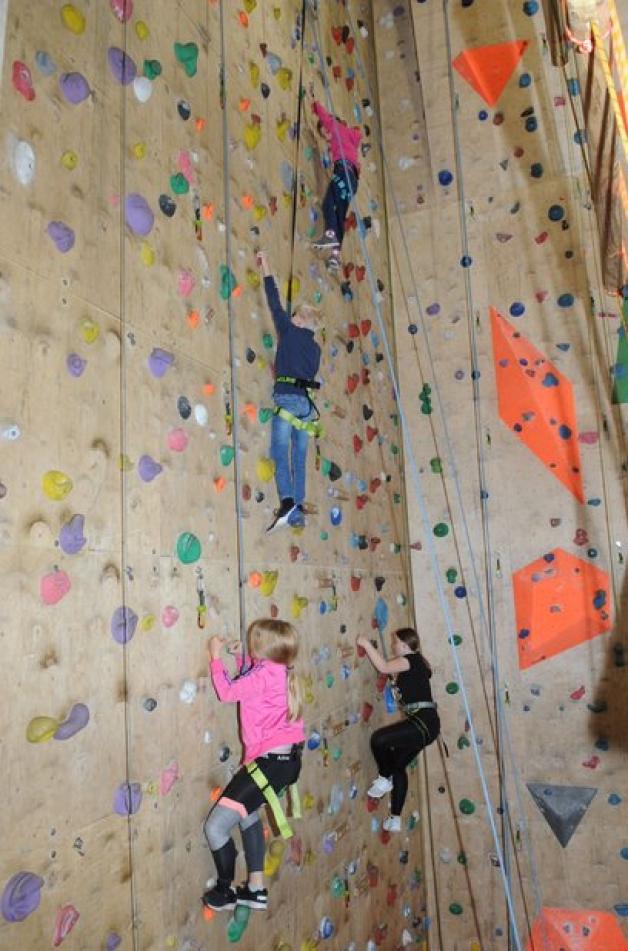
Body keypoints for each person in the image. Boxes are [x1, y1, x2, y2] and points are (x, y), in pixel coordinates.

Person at [202, 619, 305, 912]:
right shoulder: (279, 669)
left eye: (254, 640)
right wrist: (240, 658)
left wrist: (215, 657)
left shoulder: (264, 674)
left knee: (215, 827)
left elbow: (228, 692)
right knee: (247, 813)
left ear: (263, 646)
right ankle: (256, 889)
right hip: (284, 764)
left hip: (269, 766)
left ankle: (225, 891)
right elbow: (257, 683)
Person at [256, 250, 322, 533]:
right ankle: (297, 511)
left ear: (299, 321)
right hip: (306, 407)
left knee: (280, 451)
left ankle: (287, 502)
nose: (291, 317)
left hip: (287, 399)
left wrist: (266, 266)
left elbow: (274, 302)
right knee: (299, 458)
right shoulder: (316, 350)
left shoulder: (289, 330)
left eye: (295, 316)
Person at [356, 627, 440, 832]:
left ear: (404, 644)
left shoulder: (410, 659)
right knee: (398, 766)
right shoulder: (415, 663)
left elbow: (384, 666)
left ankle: (384, 778)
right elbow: (391, 670)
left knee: (379, 739)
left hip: (423, 721)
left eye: (395, 642)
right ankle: (395, 818)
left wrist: (365, 643)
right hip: (427, 724)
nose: (393, 645)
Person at [310, 99, 362, 270]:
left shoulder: (336, 128)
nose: (326, 134)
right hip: (352, 180)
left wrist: (315, 105)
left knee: (328, 204)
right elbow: (356, 137)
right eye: (323, 134)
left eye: (325, 130)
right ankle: (335, 255)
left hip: (343, 172)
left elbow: (326, 119)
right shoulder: (346, 140)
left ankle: (331, 234)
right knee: (340, 215)